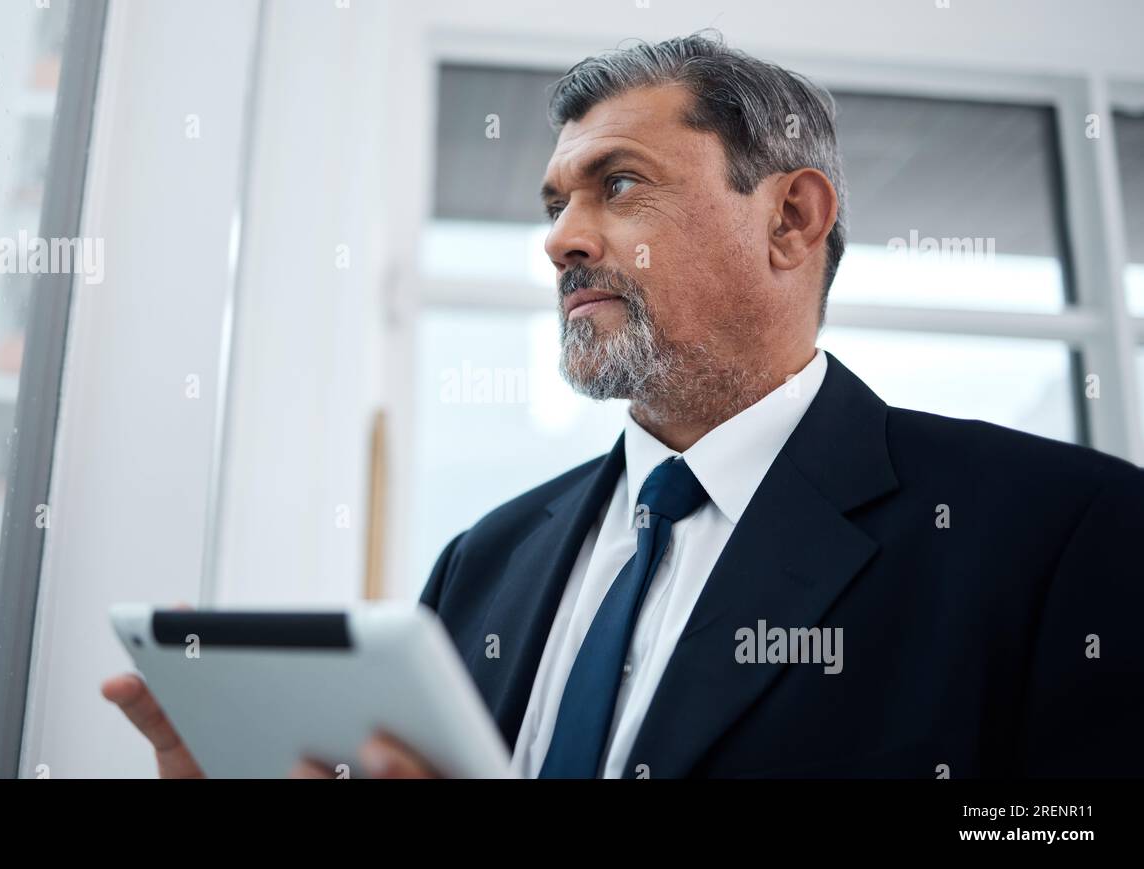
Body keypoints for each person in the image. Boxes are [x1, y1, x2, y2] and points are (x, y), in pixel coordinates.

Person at [104, 31, 1144, 779]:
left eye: (618, 185)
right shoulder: (486, 559)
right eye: (556, 203)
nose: (561, 238)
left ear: (791, 217)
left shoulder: (1060, 530)